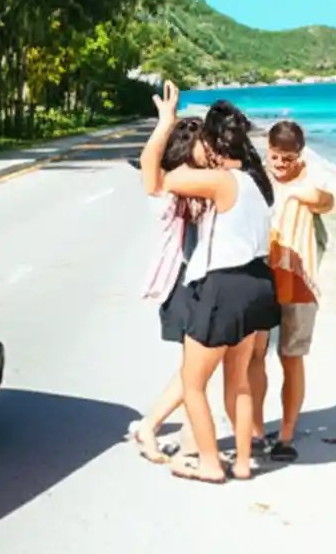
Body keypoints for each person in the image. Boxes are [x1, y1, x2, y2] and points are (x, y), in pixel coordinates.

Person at [141, 83, 280, 483]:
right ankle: (241, 462)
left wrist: (165, 124)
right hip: (259, 283)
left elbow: (155, 179)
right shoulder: (255, 181)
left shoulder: (220, 181)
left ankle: (209, 463)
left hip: (225, 285)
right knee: (238, 381)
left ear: (213, 144)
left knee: (193, 382)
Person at [250, 120, 334, 462]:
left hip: (300, 284)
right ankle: (255, 431)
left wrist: (303, 192)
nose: (280, 164)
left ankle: (286, 434)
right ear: (267, 149)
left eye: (288, 158)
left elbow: (325, 201)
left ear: (299, 155)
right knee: (254, 357)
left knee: (291, 358)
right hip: (260, 280)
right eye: (275, 156)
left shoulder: (310, 177)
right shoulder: (257, 177)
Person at [131, 116, 209, 464]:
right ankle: (152, 427)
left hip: (202, 282)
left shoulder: (205, 186)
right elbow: (149, 165)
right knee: (196, 368)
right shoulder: (168, 191)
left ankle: (190, 440)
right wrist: (165, 122)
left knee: (196, 367)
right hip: (182, 284)